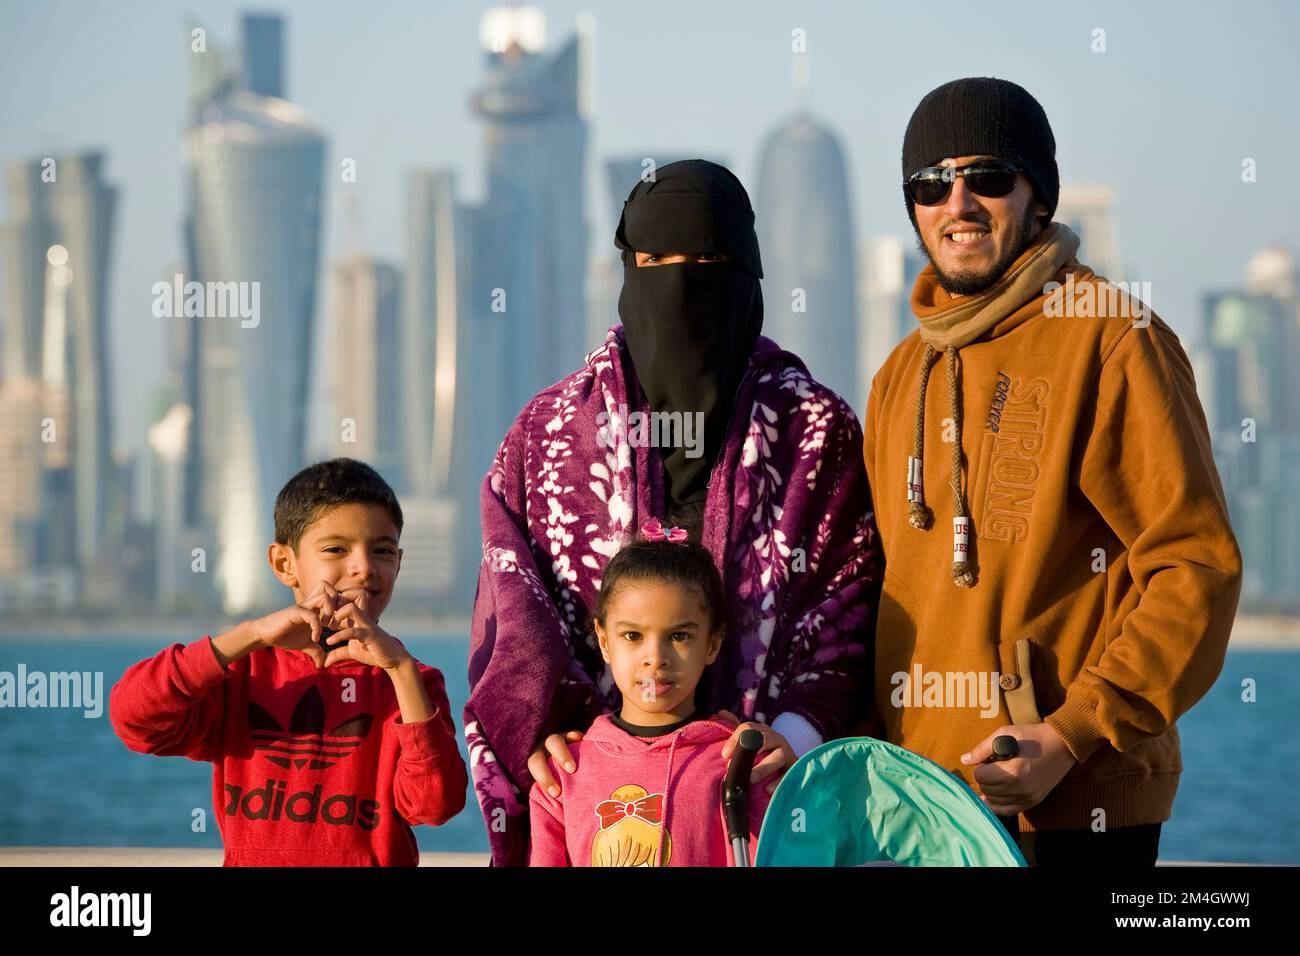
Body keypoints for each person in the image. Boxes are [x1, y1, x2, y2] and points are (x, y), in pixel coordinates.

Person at [862, 77, 1243, 866]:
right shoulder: (900, 373)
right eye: (931, 185)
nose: (958, 203)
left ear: (1039, 195)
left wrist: (1071, 736)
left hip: (1075, 808)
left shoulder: (1114, 339)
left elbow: (1194, 566)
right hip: (919, 810)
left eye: (989, 177)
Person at [466, 159, 882, 865]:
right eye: (657, 260)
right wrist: (543, 730)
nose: (681, 286)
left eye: (707, 262)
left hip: (773, 803)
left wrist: (797, 733)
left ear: (746, 272)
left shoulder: (815, 429)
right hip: (595, 804)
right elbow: (512, 598)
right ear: (628, 271)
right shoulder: (551, 432)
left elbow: (850, 598)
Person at [109, 458, 468, 866]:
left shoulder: (413, 681)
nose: (364, 567)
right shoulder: (243, 674)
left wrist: (399, 669)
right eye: (336, 549)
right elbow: (134, 718)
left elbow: (433, 805)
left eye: (382, 551)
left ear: (399, 564)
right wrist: (250, 635)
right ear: (284, 564)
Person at [528, 523, 772, 866]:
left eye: (679, 637)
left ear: (713, 644)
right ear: (603, 640)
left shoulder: (741, 764)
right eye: (632, 636)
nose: (655, 658)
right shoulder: (564, 775)